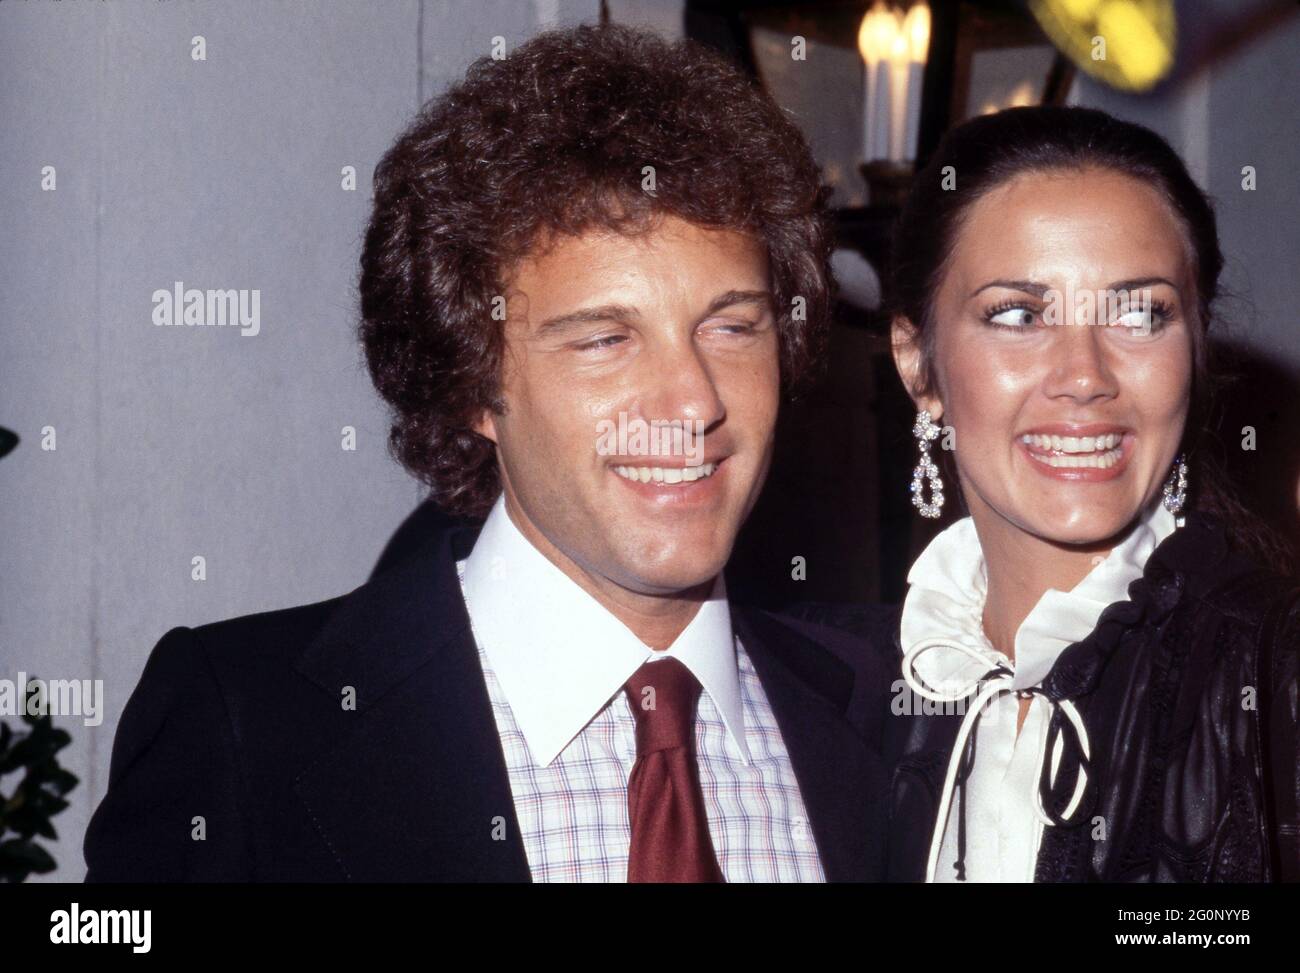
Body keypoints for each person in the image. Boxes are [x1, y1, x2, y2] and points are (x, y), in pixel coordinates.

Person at [82, 23, 894, 882]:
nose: (694, 400)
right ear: (471, 383)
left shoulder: (900, 715)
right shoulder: (245, 725)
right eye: (605, 340)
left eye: (731, 327)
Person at [805, 104, 1298, 882]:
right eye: (1018, 314)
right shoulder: (836, 696)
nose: (1085, 376)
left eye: (1140, 314)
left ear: (1195, 348)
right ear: (916, 362)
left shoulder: (1276, 676)